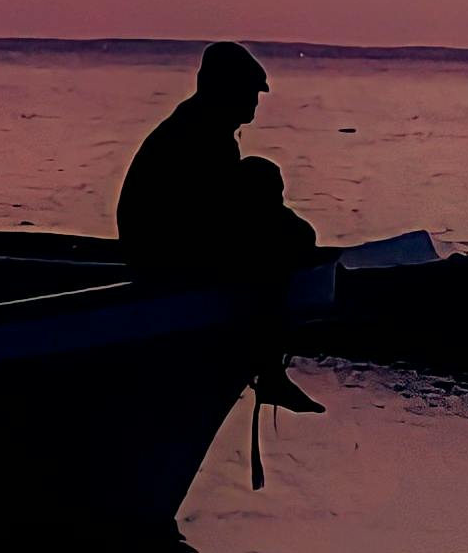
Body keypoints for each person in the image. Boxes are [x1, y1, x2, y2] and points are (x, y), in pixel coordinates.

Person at [116, 45, 321, 412]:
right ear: (224, 88)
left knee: (282, 218)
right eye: (250, 92)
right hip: (162, 254)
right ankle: (270, 371)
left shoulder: (206, 129)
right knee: (273, 234)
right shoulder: (197, 133)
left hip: (176, 243)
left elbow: (225, 210)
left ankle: (268, 363)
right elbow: (217, 213)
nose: (256, 103)